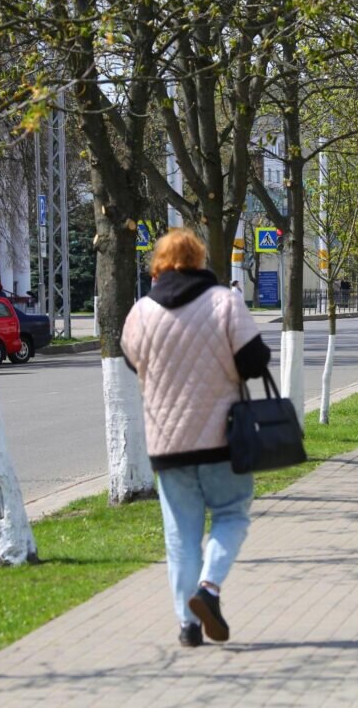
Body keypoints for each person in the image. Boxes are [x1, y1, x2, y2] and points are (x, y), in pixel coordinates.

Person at [122, 229, 271, 648]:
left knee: (180, 535)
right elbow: (255, 361)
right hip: (223, 439)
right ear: (200, 261)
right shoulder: (225, 302)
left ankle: (187, 626)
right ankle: (208, 588)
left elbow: (134, 363)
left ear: (159, 265)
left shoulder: (140, 312)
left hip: (167, 446)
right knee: (232, 514)